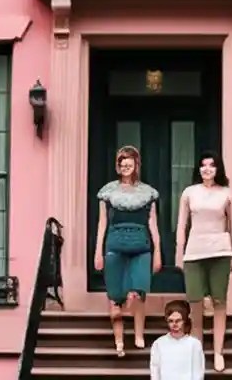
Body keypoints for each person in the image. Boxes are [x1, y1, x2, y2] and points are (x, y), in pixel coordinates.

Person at [94, 145, 161, 356]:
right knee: (116, 295)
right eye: (122, 163)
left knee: (139, 293)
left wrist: (158, 252)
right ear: (118, 166)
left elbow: (153, 225)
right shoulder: (108, 192)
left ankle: (139, 334)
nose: (126, 166)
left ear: (136, 165)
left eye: (129, 163)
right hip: (115, 244)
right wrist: (98, 252)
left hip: (141, 245)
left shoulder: (148, 193)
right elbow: (102, 224)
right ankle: (119, 341)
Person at [175, 151, 232, 373]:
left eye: (211, 165)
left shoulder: (226, 194)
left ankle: (218, 352)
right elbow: (182, 225)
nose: (207, 169)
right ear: (198, 169)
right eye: (203, 165)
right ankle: (197, 352)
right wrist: (178, 254)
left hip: (220, 251)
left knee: (219, 302)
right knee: (195, 303)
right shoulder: (189, 193)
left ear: (218, 169)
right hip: (194, 253)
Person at [150, 299, 205, 380]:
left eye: (178, 321)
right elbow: (155, 371)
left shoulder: (194, 344)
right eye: (171, 321)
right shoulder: (159, 344)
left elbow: (198, 372)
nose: (174, 324)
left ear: (185, 320)